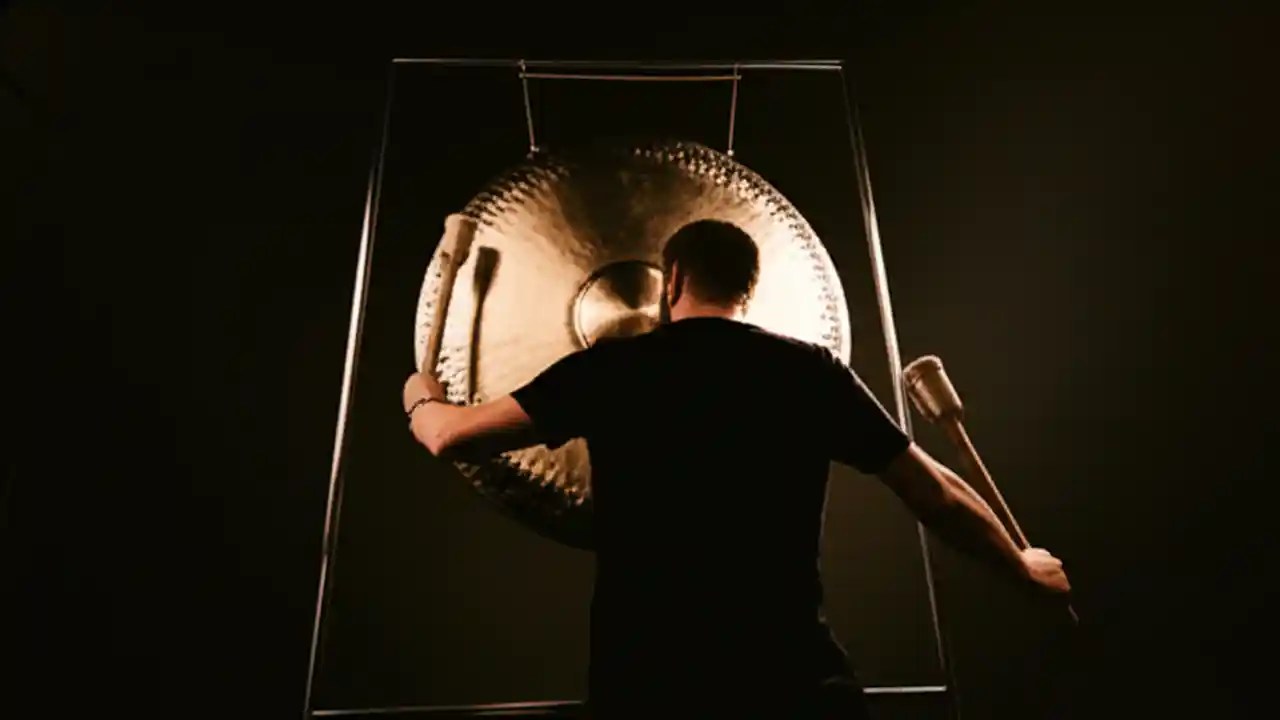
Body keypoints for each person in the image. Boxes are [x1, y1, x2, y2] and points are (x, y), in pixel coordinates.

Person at [401, 219, 1071, 719]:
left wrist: (421, 396)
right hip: (791, 684)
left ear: (672, 280)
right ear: (749, 288)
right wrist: (1021, 567)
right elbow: (937, 495)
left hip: (646, 689)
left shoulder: (611, 369)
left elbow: (450, 438)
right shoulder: (808, 371)